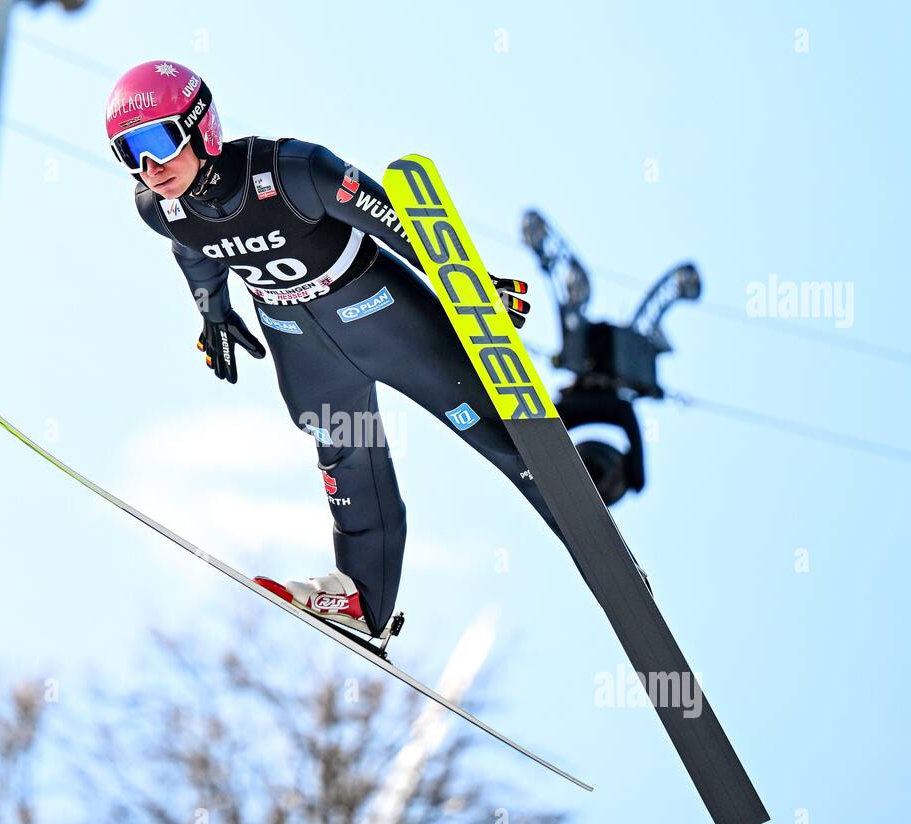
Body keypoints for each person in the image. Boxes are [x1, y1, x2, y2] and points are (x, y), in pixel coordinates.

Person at [106, 60, 566, 645]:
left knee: (499, 436)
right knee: (346, 459)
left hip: (379, 313)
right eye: (128, 152)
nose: (149, 166)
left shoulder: (296, 170)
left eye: (157, 140)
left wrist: (468, 283)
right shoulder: (157, 207)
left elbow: (398, 222)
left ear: (202, 126)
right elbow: (192, 249)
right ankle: (364, 602)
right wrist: (213, 312)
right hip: (300, 341)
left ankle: (589, 541)